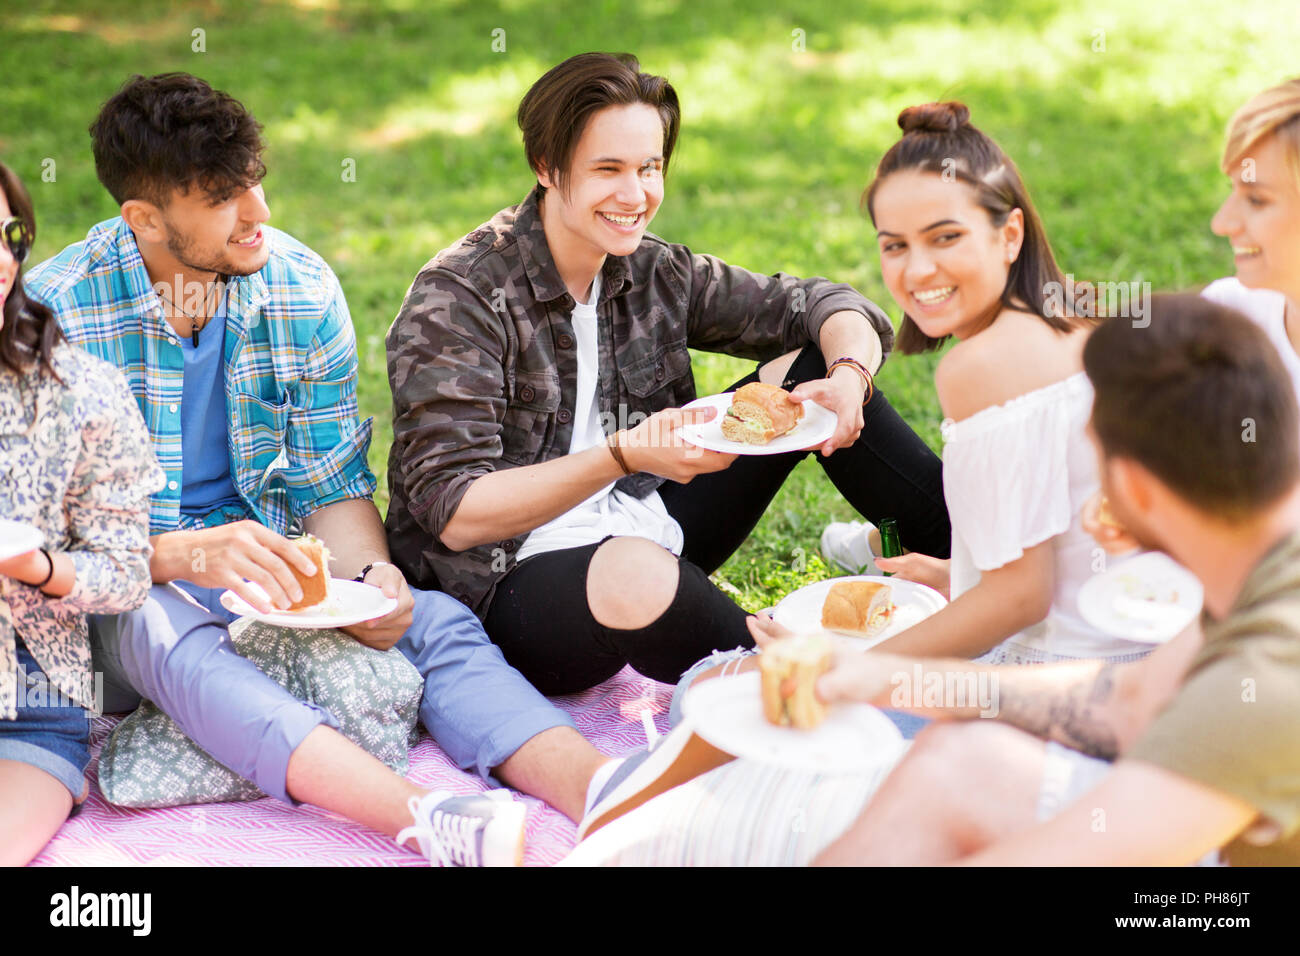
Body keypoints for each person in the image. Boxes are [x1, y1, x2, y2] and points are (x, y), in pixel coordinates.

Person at [25, 73, 670, 866]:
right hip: (121, 596)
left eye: (256, 182)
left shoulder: (297, 287)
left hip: (266, 571)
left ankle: (607, 790)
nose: (260, 214)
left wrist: (371, 577)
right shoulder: (53, 321)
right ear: (144, 219)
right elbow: (40, 551)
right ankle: (427, 817)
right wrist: (187, 555)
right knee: (164, 630)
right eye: (225, 198)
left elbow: (329, 481)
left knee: (432, 622)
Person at [385, 52, 951, 700]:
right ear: (547, 168)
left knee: (815, 369)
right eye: (608, 170)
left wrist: (850, 376)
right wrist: (622, 455)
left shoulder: (652, 270)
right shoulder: (459, 299)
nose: (636, 196)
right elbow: (453, 513)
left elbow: (830, 307)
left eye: (649, 168)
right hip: (512, 588)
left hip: (642, 523)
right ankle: (803, 684)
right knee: (634, 570)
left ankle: (971, 577)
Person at [795, 293, 1300, 866]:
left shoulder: (1268, 679)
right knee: (959, 758)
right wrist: (875, 677)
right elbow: (1123, 700)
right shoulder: (1263, 569)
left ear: (1130, 490)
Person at [808, 101, 1152, 663]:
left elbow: (1019, 602)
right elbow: (1057, 553)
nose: (917, 271)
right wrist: (957, 579)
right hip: (1145, 651)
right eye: (895, 244)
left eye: (945, 238)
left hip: (1067, 680)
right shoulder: (1085, 315)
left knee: (719, 689)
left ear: (1009, 234)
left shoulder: (981, 367)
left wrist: (847, 671)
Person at [0, 160, 163, 865]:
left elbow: (126, 572)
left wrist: (38, 566)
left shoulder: (81, 393)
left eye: (9, 235)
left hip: (24, 710)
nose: (2, 261)